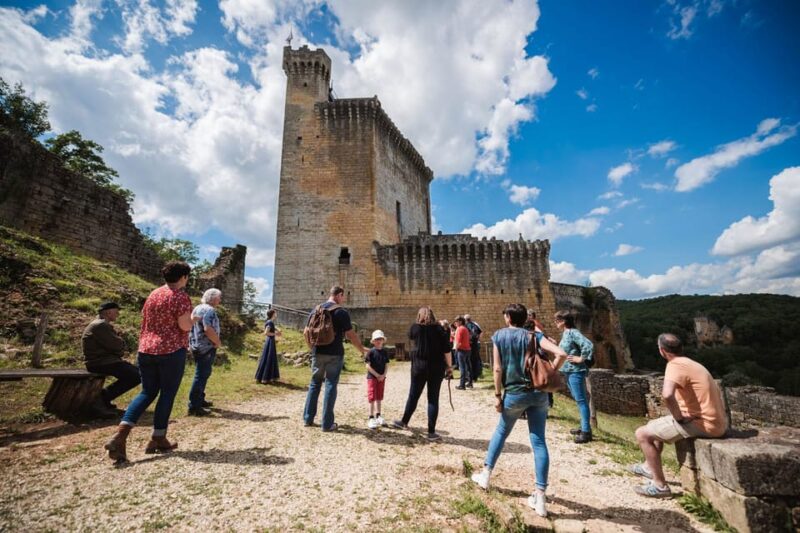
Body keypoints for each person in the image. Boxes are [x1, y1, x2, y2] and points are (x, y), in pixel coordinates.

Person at [471, 303, 567, 517]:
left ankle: (485, 475)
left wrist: (497, 396)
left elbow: (497, 368)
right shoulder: (533, 336)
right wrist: (550, 370)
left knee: (501, 432)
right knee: (539, 441)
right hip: (538, 393)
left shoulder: (499, 336)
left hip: (514, 393)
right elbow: (561, 353)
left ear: (507, 317)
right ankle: (540, 497)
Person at [104, 261, 193, 463]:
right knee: (167, 393)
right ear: (183, 277)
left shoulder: (154, 294)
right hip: (170, 350)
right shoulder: (180, 296)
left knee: (147, 392)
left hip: (146, 349)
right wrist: (194, 319)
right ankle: (158, 436)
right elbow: (185, 326)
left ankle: (120, 436)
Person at [631, 333, 728, 498]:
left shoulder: (674, 365)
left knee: (641, 434)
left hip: (703, 424)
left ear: (662, 351)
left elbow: (667, 395)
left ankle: (660, 486)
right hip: (717, 422)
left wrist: (679, 418)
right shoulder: (692, 363)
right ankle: (648, 467)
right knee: (654, 424)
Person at [303, 286, 368, 432]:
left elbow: (305, 332)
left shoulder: (316, 310)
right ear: (339, 295)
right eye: (343, 296)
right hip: (335, 353)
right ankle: (327, 424)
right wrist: (362, 349)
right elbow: (351, 335)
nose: (343, 299)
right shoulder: (341, 312)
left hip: (317, 352)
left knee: (314, 384)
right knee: (331, 385)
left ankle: (308, 419)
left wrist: (312, 349)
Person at [393, 307, 452, 441]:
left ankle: (404, 422)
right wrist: (449, 367)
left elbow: (411, 336)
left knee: (413, 395)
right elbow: (447, 350)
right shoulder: (439, 330)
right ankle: (431, 432)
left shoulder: (415, 328)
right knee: (433, 399)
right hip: (436, 368)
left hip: (419, 367)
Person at [82, 302, 141, 416]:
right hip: (101, 362)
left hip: (103, 361)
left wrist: (119, 347)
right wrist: (121, 346)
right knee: (137, 375)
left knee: (135, 373)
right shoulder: (101, 325)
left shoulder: (100, 324)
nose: (118, 314)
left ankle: (103, 399)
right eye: (116, 311)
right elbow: (117, 345)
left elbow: (116, 346)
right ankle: (100, 399)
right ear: (108, 312)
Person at [555, 310, 594, 444]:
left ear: (564, 321)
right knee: (579, 400)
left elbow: (588, 345)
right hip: (569, 371)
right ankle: (584, 427)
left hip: (575, 371)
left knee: (581, 400)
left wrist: (581, 358)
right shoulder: (566, 333)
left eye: (557, 320)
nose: (556, 323)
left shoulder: (572, 333)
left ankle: (586, 432)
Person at [187, 288, 222, 416]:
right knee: (201, 375)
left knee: (203, 374)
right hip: (206, 347)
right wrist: (217, 342)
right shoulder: (210, 310)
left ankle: (200, 400)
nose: (220, 300)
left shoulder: (198, 308)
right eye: (219, 297)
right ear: (212, 298)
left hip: (196, 345)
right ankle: (194, 405)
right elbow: (208, 329)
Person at [524, 310, 555, 409]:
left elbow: (544, 338)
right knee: (542, 379)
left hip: (536, 357)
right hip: (538, 357)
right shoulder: (533, 326)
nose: (527, 317)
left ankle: (545, 403)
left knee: (539, 379)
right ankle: (546, 402)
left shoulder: (534, 325)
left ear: (532, 316)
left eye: (529, 315)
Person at [365, 330, 389, 429]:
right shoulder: (370, 352)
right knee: (372, 397)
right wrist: (377, 375)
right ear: (373, 341)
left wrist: (383, 375)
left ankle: (378, 415)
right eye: (376, 339)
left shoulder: (384, 352)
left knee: (379, 396)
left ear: (383, 340)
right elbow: (367, 366)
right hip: (372, 378)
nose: (378, 341)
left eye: (380, 339)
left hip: (381, 378)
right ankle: (371, 417)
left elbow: (386, 364)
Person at [255, 309, 281, 384]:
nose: (276, 314)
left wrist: (277, 329)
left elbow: (272, 327)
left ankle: (269, 377)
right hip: (270, 341)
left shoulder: (270, 322)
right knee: (268, 358)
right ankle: (265, 378)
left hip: (270, 341)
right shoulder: (270, 322)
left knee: (270, 358)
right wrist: (276, 334)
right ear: (273, 314)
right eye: (275, 313)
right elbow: (266, 332)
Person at [453, 316, 473, 390]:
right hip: (468, 349)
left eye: (456, 321)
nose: (455, 323)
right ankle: (470, 383)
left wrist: (455, 349)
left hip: (461, 350)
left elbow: (458, 341)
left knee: (462, 368)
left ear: (460, 321)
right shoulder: (465, 328)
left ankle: (462, 385)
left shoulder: (459, 329)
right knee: (468, 367)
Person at [465, 314, 483, 382]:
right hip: (475, 344)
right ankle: (475, 377)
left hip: (469, 345)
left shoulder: (465, 325)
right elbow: (481, 332)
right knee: (475, 360)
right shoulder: (475, 324)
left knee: (468, 361)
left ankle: (469, 377)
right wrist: (478, 340)